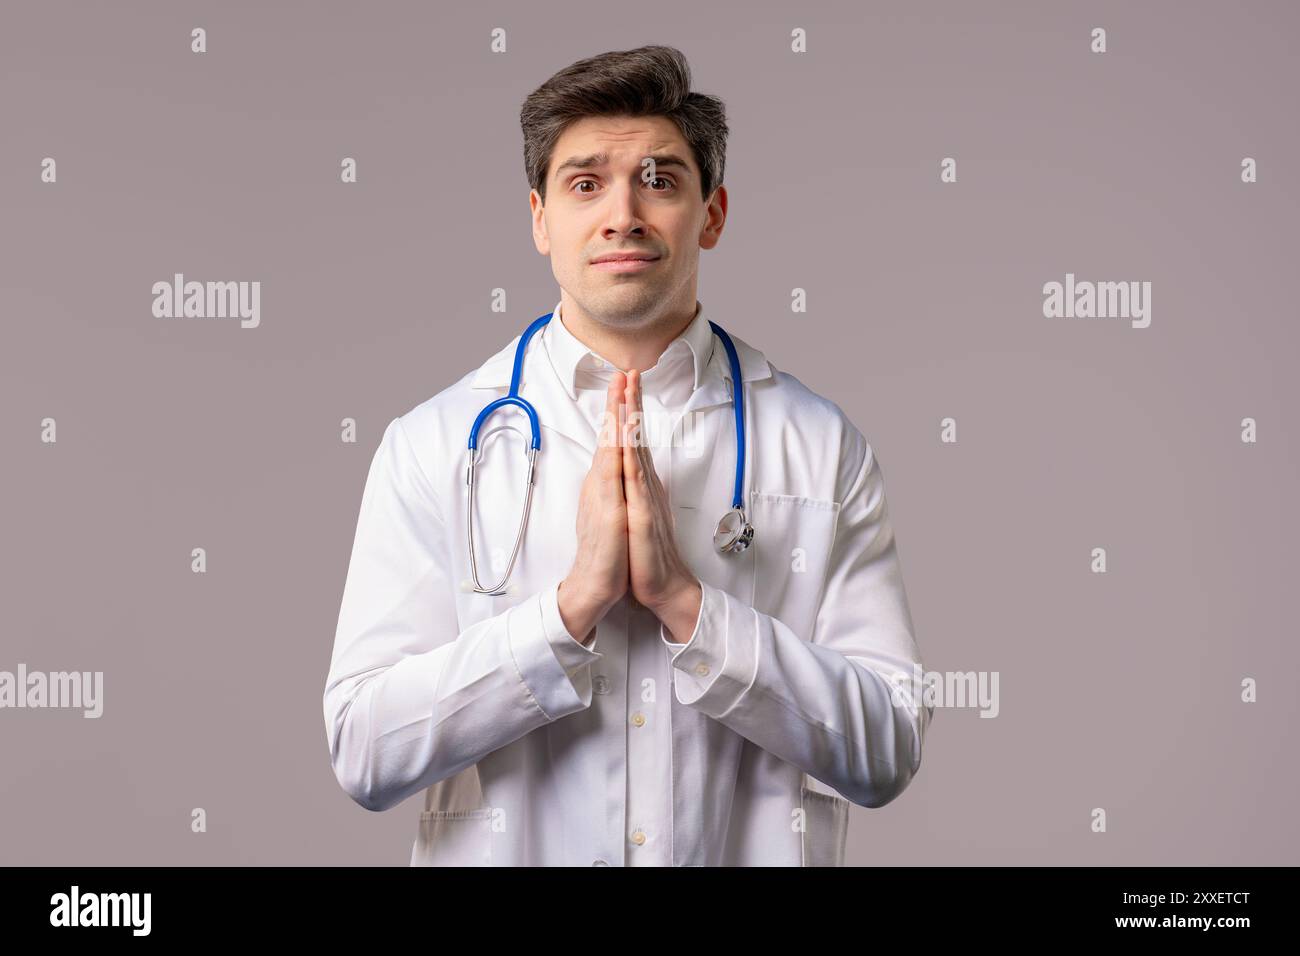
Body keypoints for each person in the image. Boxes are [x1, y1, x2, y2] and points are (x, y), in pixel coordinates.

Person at [323, 44, 932, 867]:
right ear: (539, 217)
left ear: (712, 214)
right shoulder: (435, 445)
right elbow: (364, 753)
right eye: (585, 184)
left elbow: (887, 749)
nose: (623, 216)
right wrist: (567, 611)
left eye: (659, 179)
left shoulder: (821, 448)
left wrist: (691, 608)